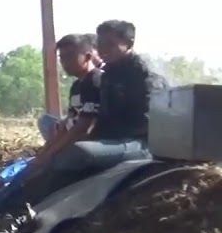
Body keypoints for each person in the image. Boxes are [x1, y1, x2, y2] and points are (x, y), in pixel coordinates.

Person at [16, 21, 162, 210]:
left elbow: (146, 122)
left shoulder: (144, 76)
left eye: (110, 44)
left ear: (129, 44)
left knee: (78, 152)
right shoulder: (108, 72)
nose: (103, 50)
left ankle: (37, 207)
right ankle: (26, 202)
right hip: (111, 135)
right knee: (58, 134)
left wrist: (95, 135)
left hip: (137, 142)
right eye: (100, 44)